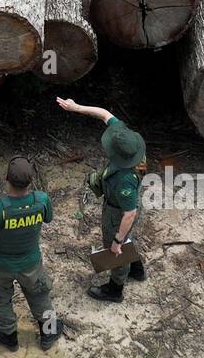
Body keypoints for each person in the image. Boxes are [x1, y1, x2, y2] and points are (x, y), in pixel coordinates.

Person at [56, 97, 147, 303]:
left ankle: (115, 289)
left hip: (119, 212)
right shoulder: (133, 143)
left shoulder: (124, 180)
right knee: (126, 235)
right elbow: (105, 113)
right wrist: (76, 107)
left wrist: (116, 242)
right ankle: (137, 269)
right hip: (127, 204)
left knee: (117, 249)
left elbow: (129, 214)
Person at [0, 156, 59, 350]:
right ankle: (48, 334)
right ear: (31, 181)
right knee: (41, 297)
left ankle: (8, 335)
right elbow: (48, 219)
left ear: (5, 178)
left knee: (1, 299)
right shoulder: (41, 200)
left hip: (0, 266)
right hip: (31, 264)